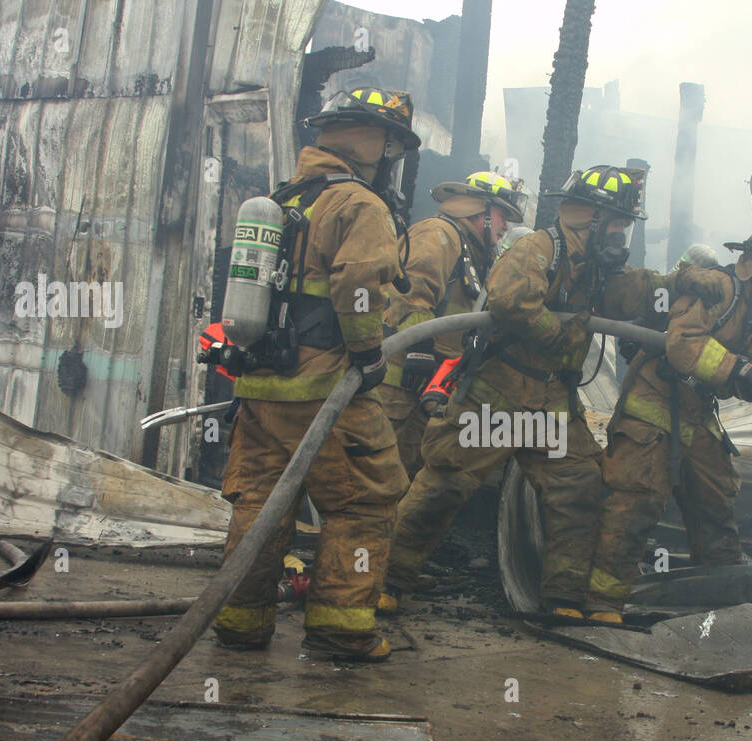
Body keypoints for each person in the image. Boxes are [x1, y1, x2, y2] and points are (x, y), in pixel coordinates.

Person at [380, 165, 686, 619]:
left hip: (552, 404)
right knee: (446, 485)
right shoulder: (540, 247)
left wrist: (676, 285)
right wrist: (558, 336)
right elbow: (511, 299)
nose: (621, 234)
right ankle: (386, 582)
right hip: (497, 392)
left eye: (625, 225)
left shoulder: (594, 268)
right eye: (618, 223)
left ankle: (562, 599)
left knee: (577, 491)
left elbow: (628, 295)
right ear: (591, 217)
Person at [211, 87, 420, 661]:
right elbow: (356, 286)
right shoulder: (359, 205)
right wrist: (369, 353)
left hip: (260, 386)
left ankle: (240, 625)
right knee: (366, 502)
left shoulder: (285, 198)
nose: (392, 157)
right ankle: (341, 631)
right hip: (325, 388)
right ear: (373, 140)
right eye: (390, 144)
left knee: (260, 506)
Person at [585, 222, 752, 623]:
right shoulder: (717, 289)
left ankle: (722, 604)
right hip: (653, 401)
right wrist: (737, 369)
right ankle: (601, 606)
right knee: (637, 502)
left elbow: (749, 364)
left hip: (698, 412)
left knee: (715, 503)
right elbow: (684, 343)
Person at [380, 171, 528, 477]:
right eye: (502, 215)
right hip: (396, 384)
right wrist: (420, 348)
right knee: (381, 478)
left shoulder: (476, 254)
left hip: (431, 388)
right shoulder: (438, 235)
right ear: (480, 210)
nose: (506, 226)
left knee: (408, 476)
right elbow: (409, 294)